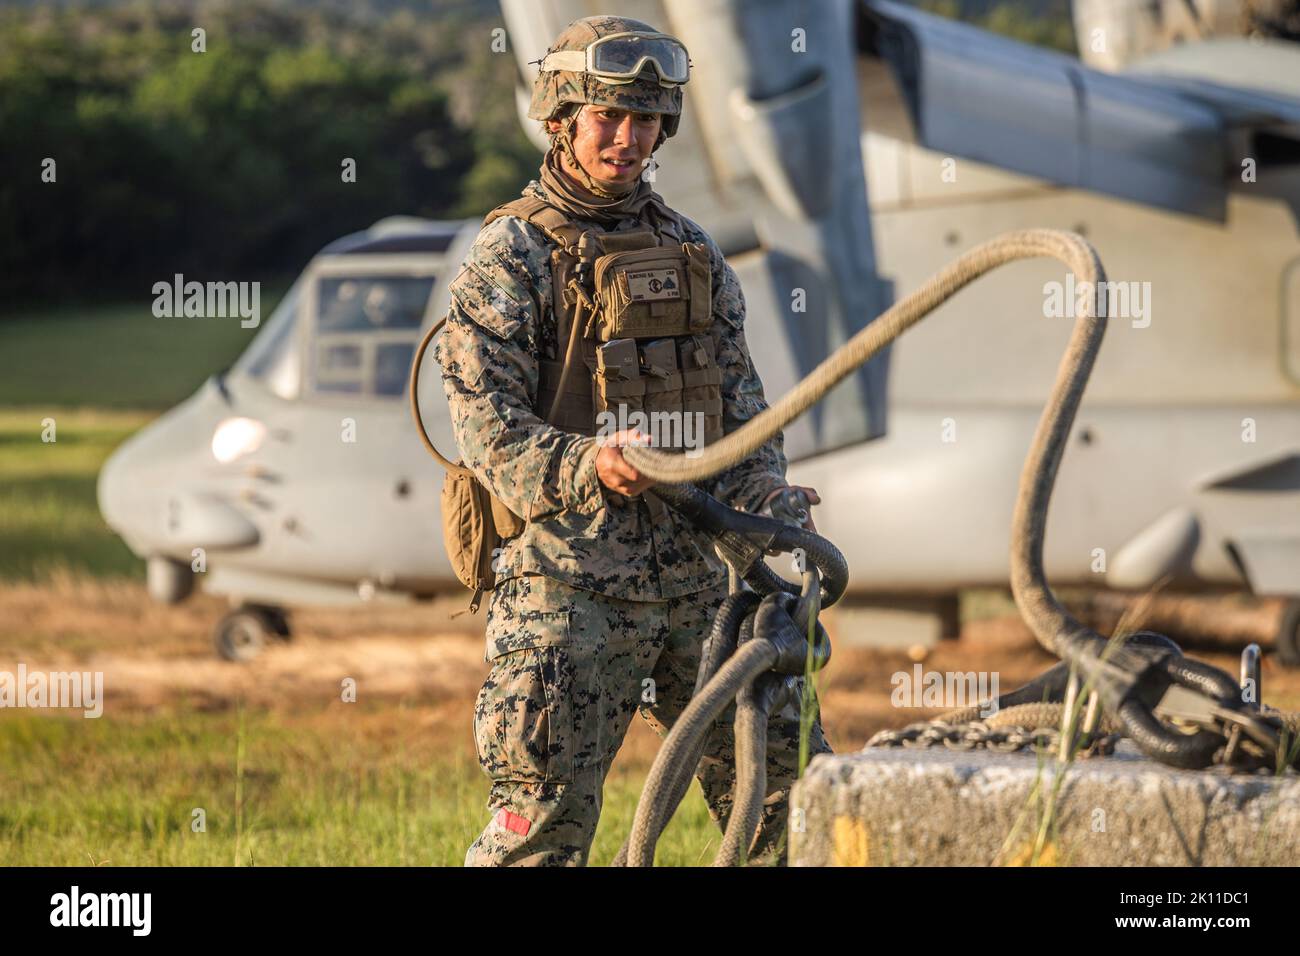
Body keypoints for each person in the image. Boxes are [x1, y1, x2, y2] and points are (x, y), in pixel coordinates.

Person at [435, 14, 830, 867]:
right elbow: (485, 428)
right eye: (609, 116)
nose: (627, 137)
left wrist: (764, 492)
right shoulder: (510, 253)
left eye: (646, 120)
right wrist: (590, 463)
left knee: (792, 804)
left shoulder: (692, 248)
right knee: (540, 830)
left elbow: (741, 407)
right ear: (562, 116)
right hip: (569, 591)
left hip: (701, 584)